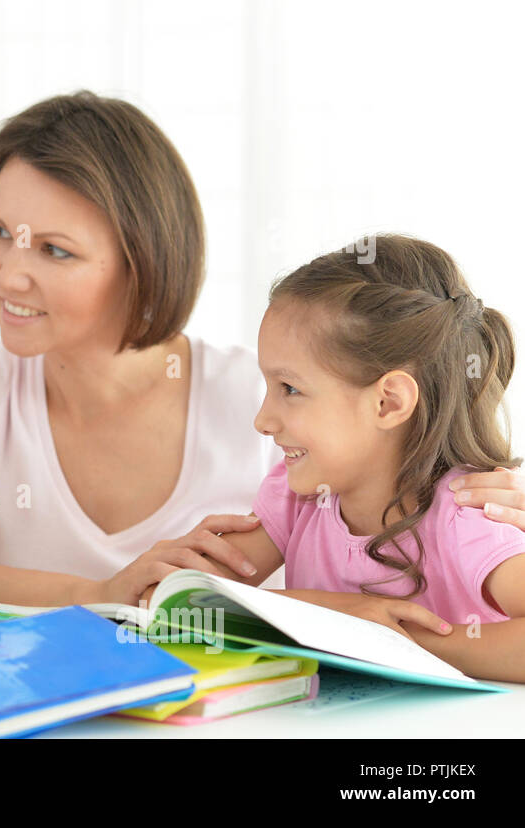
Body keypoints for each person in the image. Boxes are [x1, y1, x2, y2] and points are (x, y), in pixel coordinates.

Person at [0, 91, 525, 613]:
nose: (7, 273)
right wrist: (93, 591)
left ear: (143, 263)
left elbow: (405, 477)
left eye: (54, 250)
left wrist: (468, 493)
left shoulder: (254, 397)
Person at [164, 234, 525, 682]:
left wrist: (404, 642)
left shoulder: (467, 515)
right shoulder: (295, 497)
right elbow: (184, 604)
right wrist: (342, 616)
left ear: (388, 403)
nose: (263, 420)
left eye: (290, 389)